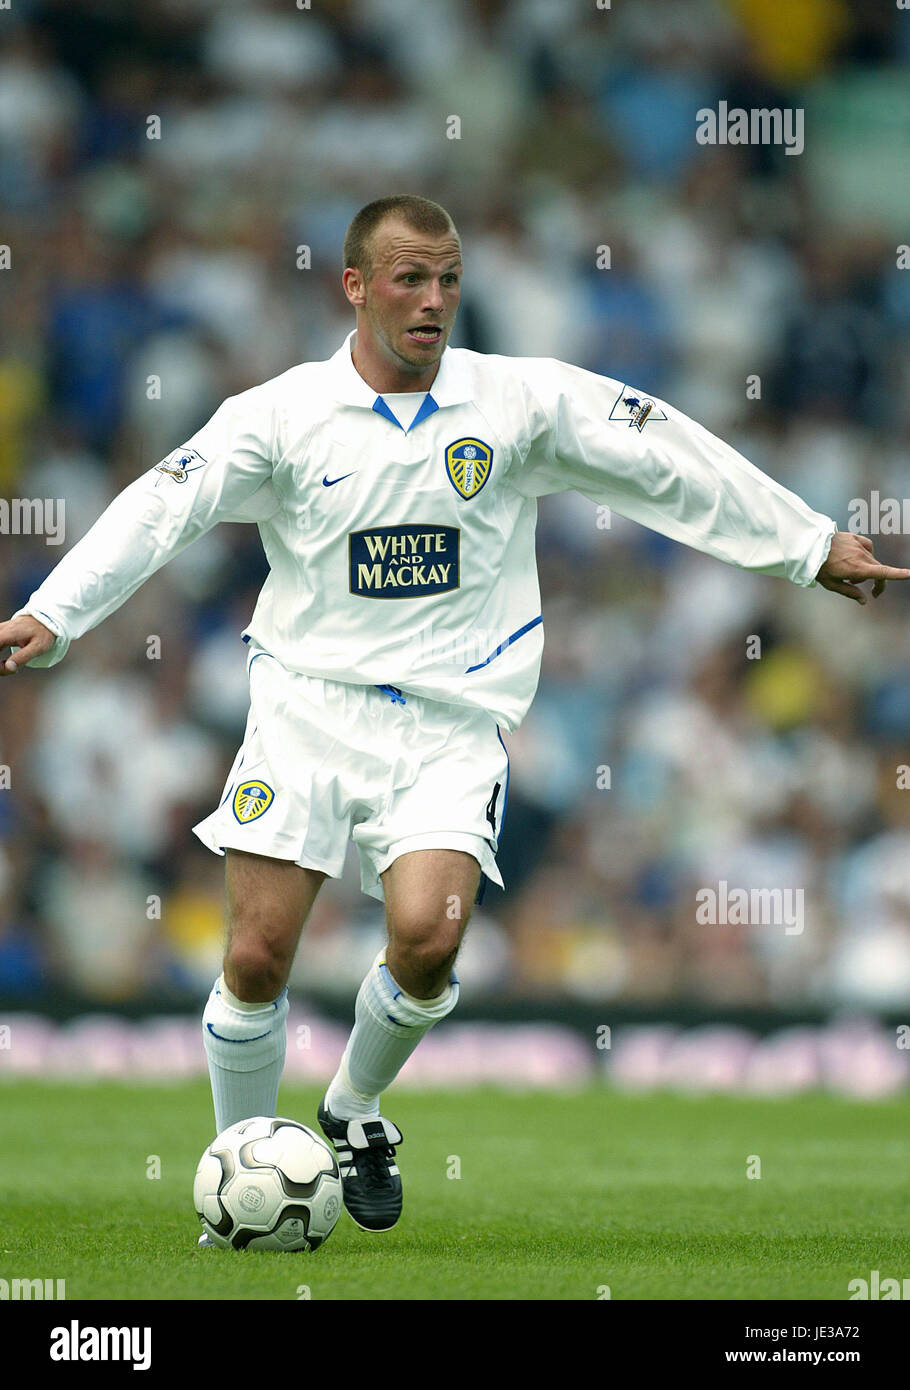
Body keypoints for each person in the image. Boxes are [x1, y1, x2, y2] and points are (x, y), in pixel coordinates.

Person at [1, 194, 905, 1239]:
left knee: (427, 938)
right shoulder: (282, 416)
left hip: (449, 720)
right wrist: (54, 612)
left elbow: (662, 453)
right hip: (305, 704)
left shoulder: (515, 402)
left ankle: (351, 1107)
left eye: (448, 280)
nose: (432, 301)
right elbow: (166, 504)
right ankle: (236, 1183)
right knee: (255, 956)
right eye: (408, 279)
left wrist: (803, 543)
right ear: (353, 285)